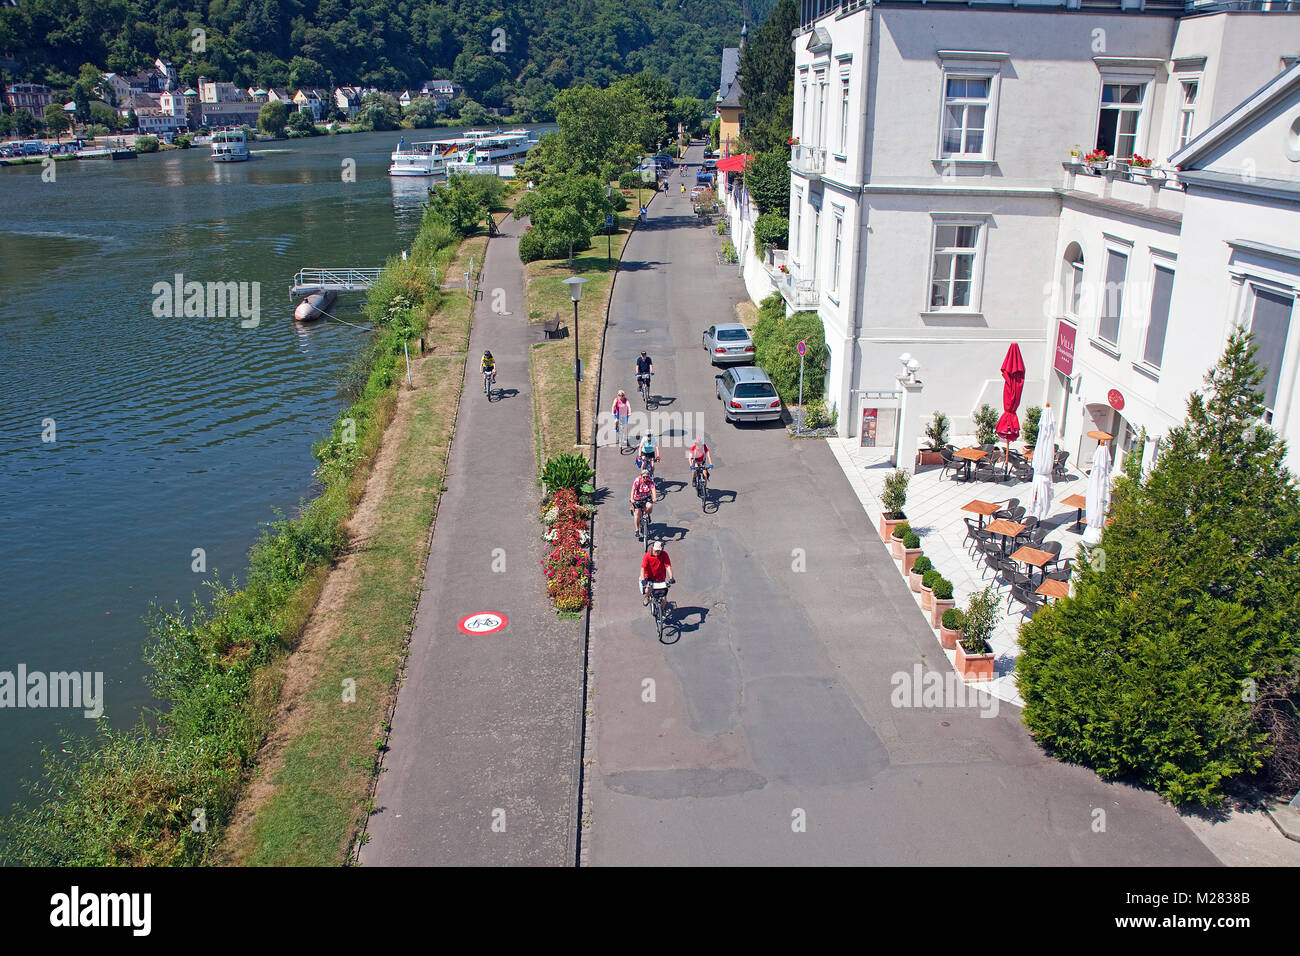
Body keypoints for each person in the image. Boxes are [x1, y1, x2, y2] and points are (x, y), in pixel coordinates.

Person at [639, 540, 674, 606]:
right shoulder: (647, 556)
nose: (657, 552)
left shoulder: (664, 554)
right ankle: (647, 597)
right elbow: (642, 568)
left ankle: (662, 612)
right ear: (653, 548)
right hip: (649, 576)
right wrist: (643, 579)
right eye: (656, 550)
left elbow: (668, 566)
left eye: (659, 551)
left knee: (664, 598)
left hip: (660, 577)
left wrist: (671, 577)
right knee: (648, 589)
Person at [630, 468, 656, 536]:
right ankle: (637, 530)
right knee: (637, 513)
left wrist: (654, 498)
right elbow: (633, 490)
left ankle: (648, 515)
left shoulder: (650, 480)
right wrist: (632, 499)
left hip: (646, 497)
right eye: (644, 477)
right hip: (637, 498)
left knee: (650, 506)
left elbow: (653, 489)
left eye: (647, 477)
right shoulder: (637, 480)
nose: (645, 478)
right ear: (641, 476)